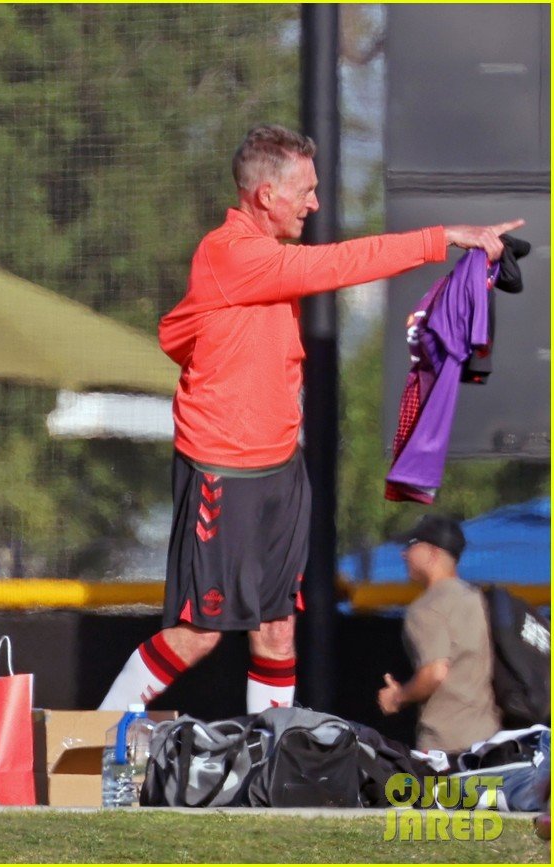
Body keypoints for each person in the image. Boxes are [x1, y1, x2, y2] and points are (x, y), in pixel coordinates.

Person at [99, 124, 523, 714]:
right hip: (224, 471)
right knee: (199, 635)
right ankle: (95, 747)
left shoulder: (266, 258)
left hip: (280, 469)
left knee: (276, 631)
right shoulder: (231, 252)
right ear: (265, 195)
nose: (315, 202)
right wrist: (446, 236)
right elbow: (342, 263)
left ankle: (271, 768)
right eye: (306, 189)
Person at [377, 514, 501, 751]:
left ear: (432, 553)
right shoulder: (478, 599)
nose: (404, 554)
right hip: (489, 743)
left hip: (446, 748)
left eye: (411, 545)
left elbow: (435, 672)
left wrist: (397, 696)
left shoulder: (427, 607)